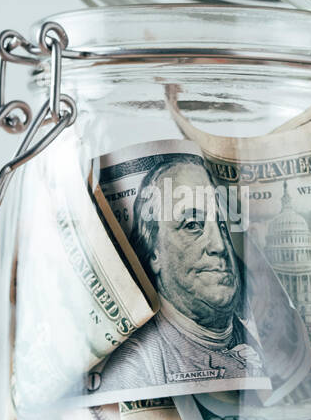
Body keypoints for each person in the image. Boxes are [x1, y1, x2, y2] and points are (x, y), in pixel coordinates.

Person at [95, 153, 264, 394]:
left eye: (222, 226)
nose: (219, 246)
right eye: (192, 225)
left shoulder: (257, 343)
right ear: (154, 252)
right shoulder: (136, 366)